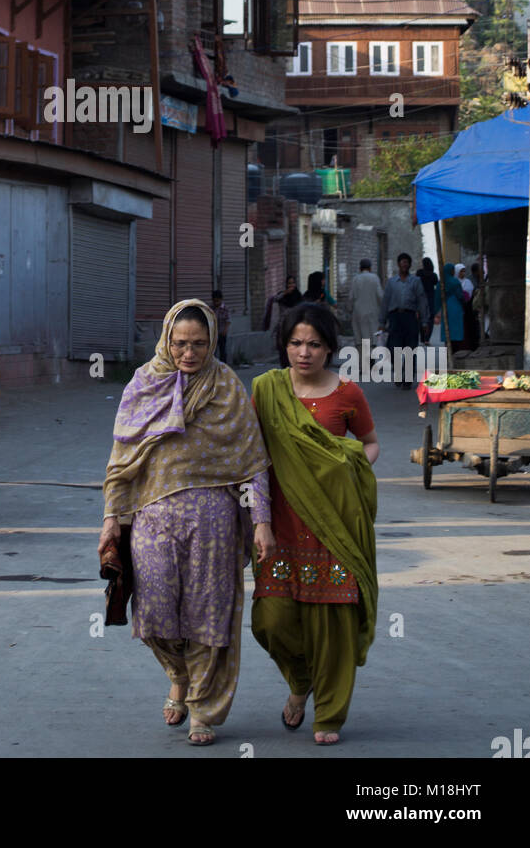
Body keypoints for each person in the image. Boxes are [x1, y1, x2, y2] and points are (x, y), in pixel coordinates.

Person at [99, 299, 274, 747]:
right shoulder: (144, 383)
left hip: (215, 524)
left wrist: (261, 521)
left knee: (208, 617)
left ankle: (201, 708)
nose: (189, 353)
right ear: (166, 340)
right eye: (180, 343)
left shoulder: (227, 387)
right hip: (152, 521)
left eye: (199, 344)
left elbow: (253, 461)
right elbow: (121, 459)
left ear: (212, 341)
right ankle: (177, 675)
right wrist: (109, 519)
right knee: (155, 615)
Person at [250, 303, 379, 745]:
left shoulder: (348, 394)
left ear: (329, 348)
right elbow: (252, 456)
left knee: (334, 623)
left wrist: (350, 468)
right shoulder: (266, 390)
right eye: (295, 343)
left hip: (334, 523)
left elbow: (369, 444)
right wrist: (256, 520)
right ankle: (300, 681)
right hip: (280, 522)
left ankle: (329, 713)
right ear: (283, 346)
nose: (303, 353)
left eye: (314, 344)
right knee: (271, 618)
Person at [380, 253, 430, 388]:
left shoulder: (416, 281)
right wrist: (382, 322)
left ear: (409, 265)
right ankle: (398, 373)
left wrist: (425, 321)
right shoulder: (391, 282)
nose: (404, 265)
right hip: (395, 318)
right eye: (402, 262)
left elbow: (422, 301)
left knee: (410, 349)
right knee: (393, 348)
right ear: (398, 264)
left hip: (410, 318)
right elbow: (385, 302)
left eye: (407, 262)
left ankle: (407, 380)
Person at [349, 260, 383, 372]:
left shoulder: (356, 279)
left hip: (358, 313)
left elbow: (351, 297)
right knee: (373, 339)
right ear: (370, 268)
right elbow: (380, 295)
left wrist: (350, 310)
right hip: (373, 313)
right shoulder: (375, 278)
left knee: (360, 340)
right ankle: (372, 363)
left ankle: (362, 366)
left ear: (360, 268)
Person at [263, 275, 303, 368]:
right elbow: (275, 299)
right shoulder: (282, 296)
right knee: (283, 348)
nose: (291, 285)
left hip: (295, 326)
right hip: (283, 326)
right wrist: (285, 293)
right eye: (289, 283)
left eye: (293, 283)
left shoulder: (298, 296)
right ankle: (285, 368)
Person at [434, 263, 465, 355]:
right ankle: (456, 353)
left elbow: (437, 298)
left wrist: (437, 312)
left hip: (446, 308)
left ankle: (448, 353)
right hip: (455, 307)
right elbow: (460, 296)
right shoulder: (455, 282)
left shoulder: (441, 283)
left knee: (447, 331)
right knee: (456, 331)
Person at [415, 258, 439, 344]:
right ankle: (427, 338)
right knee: (430, 319)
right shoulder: (433, 275)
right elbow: (436, 284)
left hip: (421, 297)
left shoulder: (419, 273)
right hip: (430, 298)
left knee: (421, 318)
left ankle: (422, 337)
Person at [456, 264, 479, 350]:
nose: (463, 273)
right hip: (458, 308)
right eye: (461, 271)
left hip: (468, 308)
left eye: (464, 271)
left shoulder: (468, 282)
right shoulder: (455, 282)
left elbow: (472, 292)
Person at [212, 291, 231, 363]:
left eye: (217, 301)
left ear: (221, 299)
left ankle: (223, 366)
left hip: (222, 332)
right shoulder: (211, 308)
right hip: (213, 334)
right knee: (213, 351)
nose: (216, 303)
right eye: (214, 301)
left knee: (222, 350)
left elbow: (228, 320)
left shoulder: (224, 308)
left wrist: (225, 330)